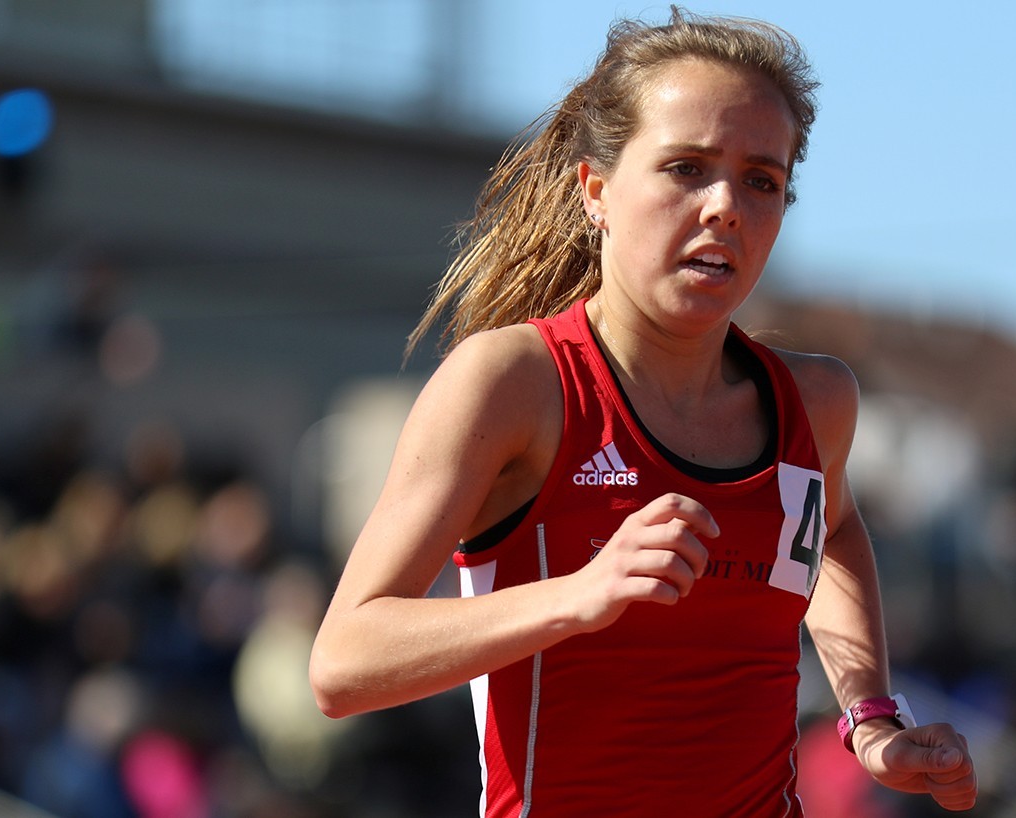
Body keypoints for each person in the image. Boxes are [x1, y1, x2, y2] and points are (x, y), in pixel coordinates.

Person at [309, 8, 978, 815]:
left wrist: (868, 715)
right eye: (687, 168)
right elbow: (343, 664)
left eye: (761, 179)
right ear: (596, 190)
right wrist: (580, 594)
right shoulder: (516, 383)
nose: (725, 205)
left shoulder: (817, 402)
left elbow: (831, 529)